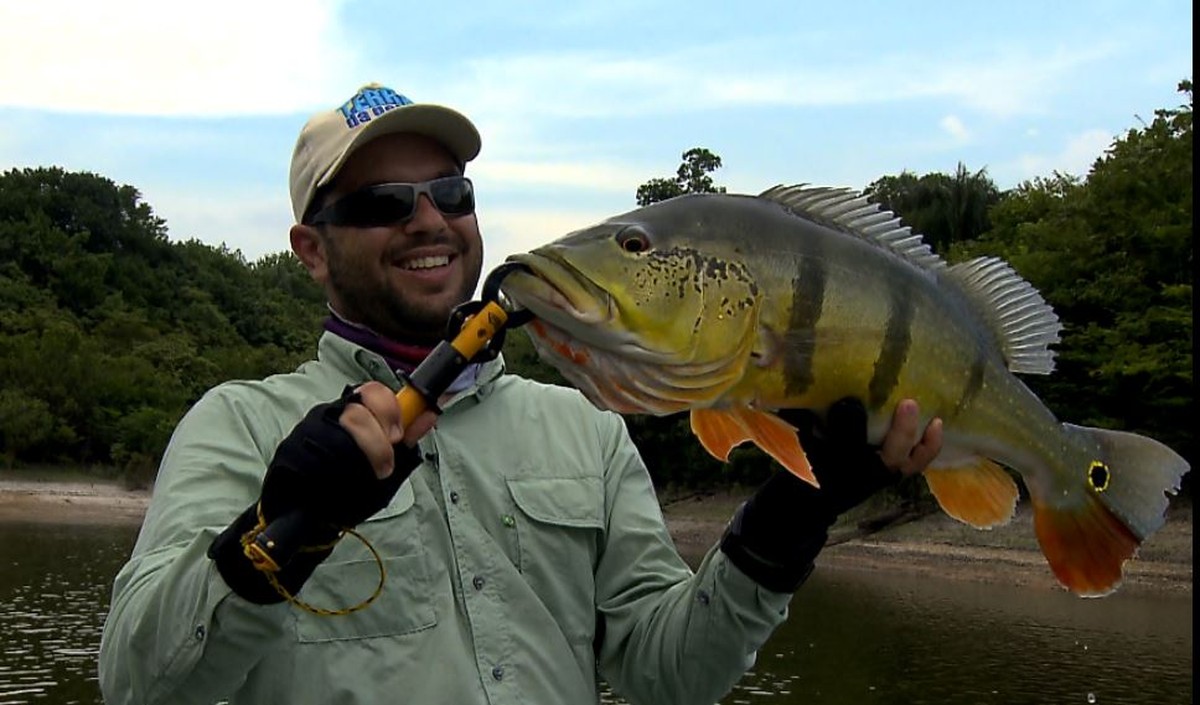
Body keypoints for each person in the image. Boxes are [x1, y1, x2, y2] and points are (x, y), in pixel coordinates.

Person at [98, 83, 943, 705]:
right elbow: (138, 682)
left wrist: (789, 520)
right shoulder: (238, 427)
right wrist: (277, 536)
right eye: (383, 201)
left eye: (451, 192)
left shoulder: (587, 430)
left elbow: (670, 672)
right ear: (311, 250)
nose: (428, 218)